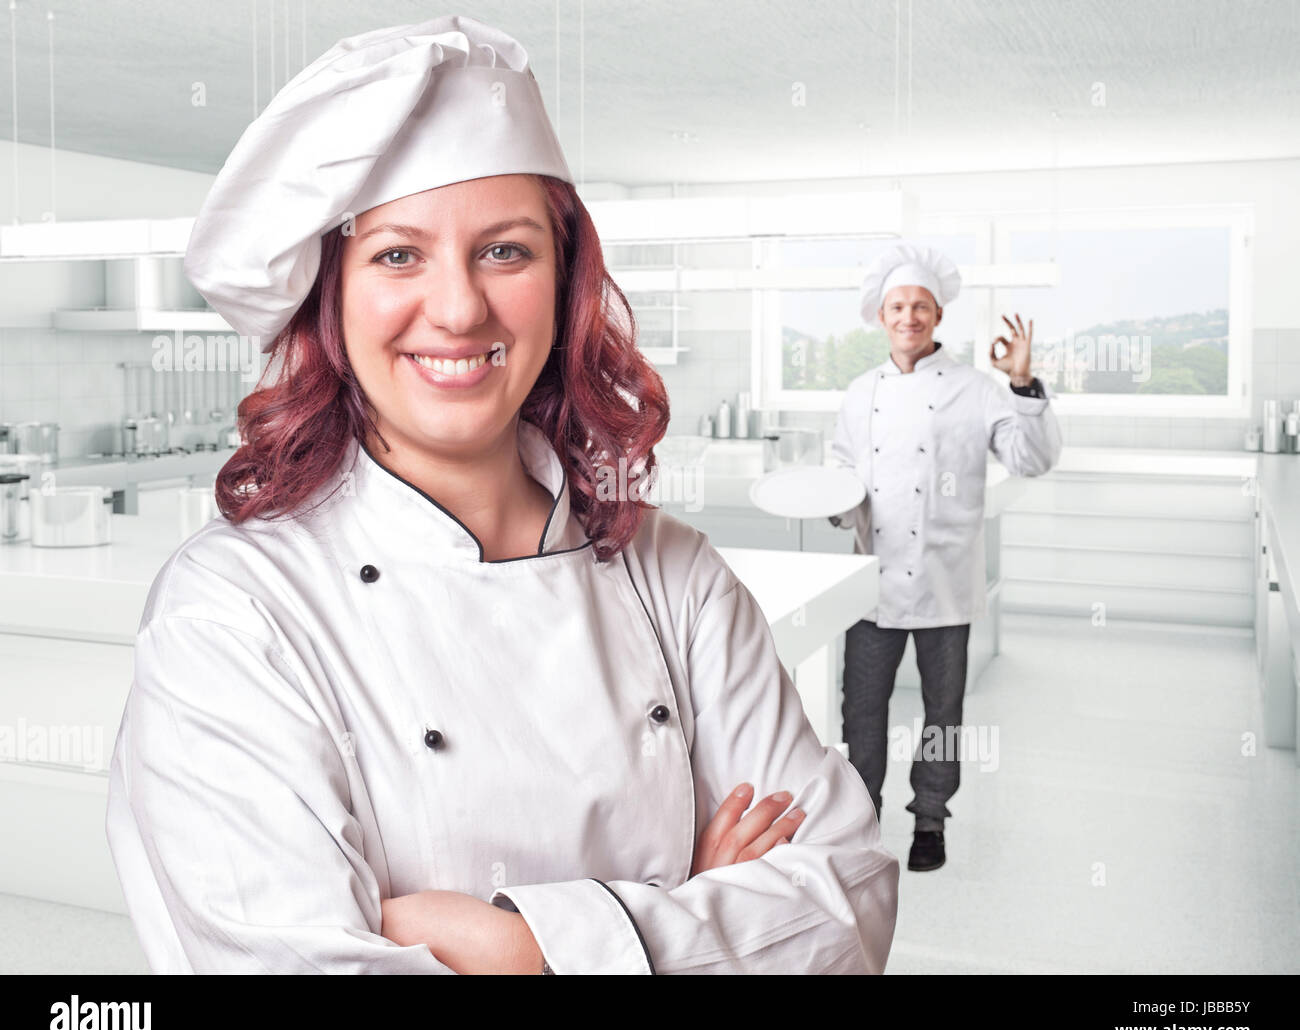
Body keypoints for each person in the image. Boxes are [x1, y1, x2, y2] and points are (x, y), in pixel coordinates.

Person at [104, 14, 900, 974]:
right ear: (333, 293)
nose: (458, 308)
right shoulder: (234, 612)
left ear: (563, 280)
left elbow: (848, 898)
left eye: (505, 251)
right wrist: (685, 912)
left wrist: (521, 949)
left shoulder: (675, 576)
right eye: (398, 254)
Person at [828, 243, 1061, 872]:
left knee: (941, 713)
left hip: (945, 581)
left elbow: (1031, 459)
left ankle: (930, 817)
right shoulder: (858, 394)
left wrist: (1022, 383)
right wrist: (833, 501)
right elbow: (843, 468)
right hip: (871, 582)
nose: (910, 316)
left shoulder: (976, 389)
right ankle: (862, 817)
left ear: (937, 315)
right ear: (881, 315)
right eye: (899, 306)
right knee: (862, 710)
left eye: (921, 306)